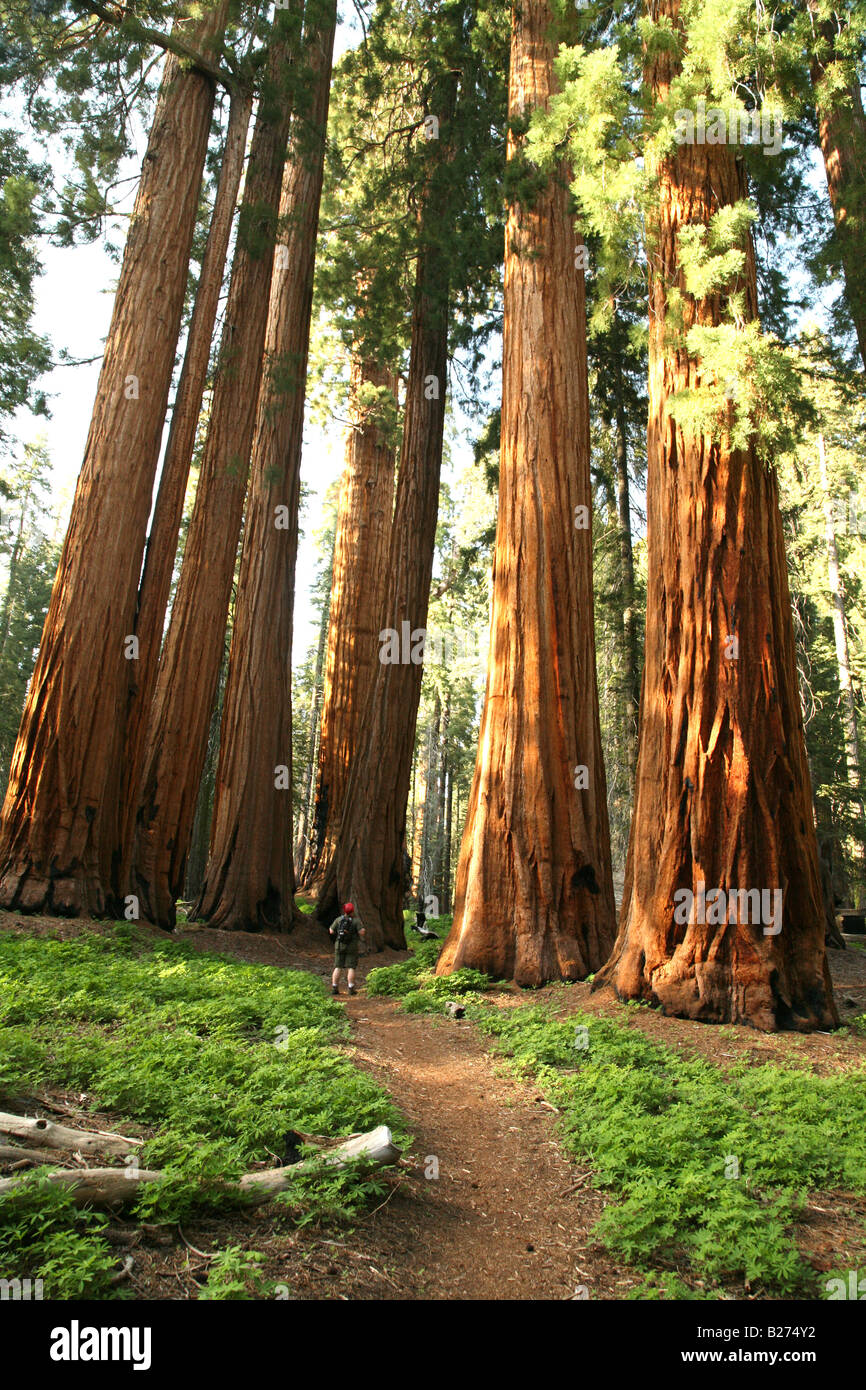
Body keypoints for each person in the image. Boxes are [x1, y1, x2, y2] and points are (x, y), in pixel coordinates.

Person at [329, 902, 365, 995]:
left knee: (338, 967)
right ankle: (351, 988)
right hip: (351, 946)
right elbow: (362, 932)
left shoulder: (338, 920)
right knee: (351, 967)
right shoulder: (356, 921)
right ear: (352, 911)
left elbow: (331, 931)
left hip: (339, 945)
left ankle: (334, 987)